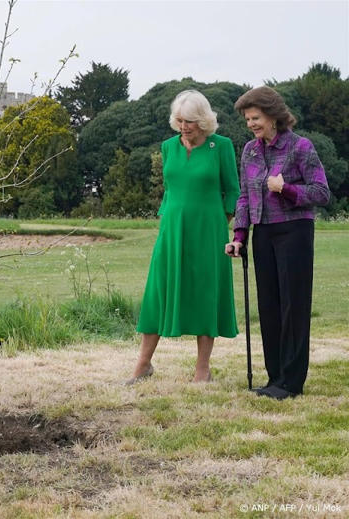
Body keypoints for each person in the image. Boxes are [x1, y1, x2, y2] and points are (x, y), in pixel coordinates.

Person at [126, 90, 240, 385]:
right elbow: (170, 189)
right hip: (172, 230)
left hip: (209, 231)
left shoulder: (221, 146)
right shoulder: (167, 147)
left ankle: (202, 369)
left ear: (202, 120)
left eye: (189, 120)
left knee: (205, 292)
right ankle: (143, 364)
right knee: (157, 292)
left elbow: (233, 191)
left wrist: (221, 221)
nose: (184, 126)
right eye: (179, 120)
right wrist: (168, 219)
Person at [225, 86, 330, 400]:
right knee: (269, 306)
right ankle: (275, 379)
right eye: (247, 119)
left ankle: (291, 382)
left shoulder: (301, 147)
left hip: (295, 231)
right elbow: (245, 196)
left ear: (273, 115)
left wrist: (287, 189)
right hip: (264, 233)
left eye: (255, 117)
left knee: (292, 306)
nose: (251, 124)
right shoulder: (250, 151)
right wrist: (240, 236)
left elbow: (322, 193)